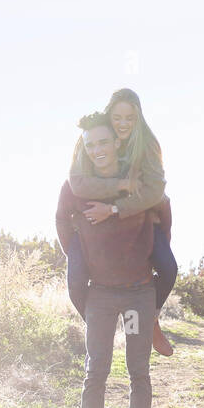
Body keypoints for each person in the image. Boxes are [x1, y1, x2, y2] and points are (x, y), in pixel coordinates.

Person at [56, 112, 170, 408]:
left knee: (138, 371)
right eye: (91, 144)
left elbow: (163, 208)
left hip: (137, 294)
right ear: (84, 149)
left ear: (116, 142)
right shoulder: (75, 187)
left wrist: (156, 246)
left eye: (104, 141)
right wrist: (79, 255)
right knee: (96, 372)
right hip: (100, 296)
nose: (98, 149)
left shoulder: (137, 181)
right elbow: (61, 223)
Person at [66, 88, 177, 356]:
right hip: (95, 227)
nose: (123, 123)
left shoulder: (147, 143)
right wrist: (121, 185)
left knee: (168, 267)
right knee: (77, 277)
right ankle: (96, 324)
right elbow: (77, 183)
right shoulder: (94, 136)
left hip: (139, 217)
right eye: (118, 117)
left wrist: (116, 208)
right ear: (109, 116)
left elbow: (153, 192)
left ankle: (149, 318)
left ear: (139, 117)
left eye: (130, 117)